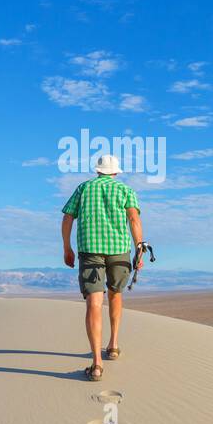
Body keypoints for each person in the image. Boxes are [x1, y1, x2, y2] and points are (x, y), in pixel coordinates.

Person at [60, 154, 145, 381]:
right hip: (119, 250)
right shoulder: (125, 190)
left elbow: (68, 217)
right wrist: (139, 248)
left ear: (97, 170)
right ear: (116, 171)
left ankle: (97, 364)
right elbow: (134, 220)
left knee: (94, 303)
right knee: (116, 294)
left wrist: (67, 247)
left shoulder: (83, 189)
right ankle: (113, 345)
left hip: (90, 250)